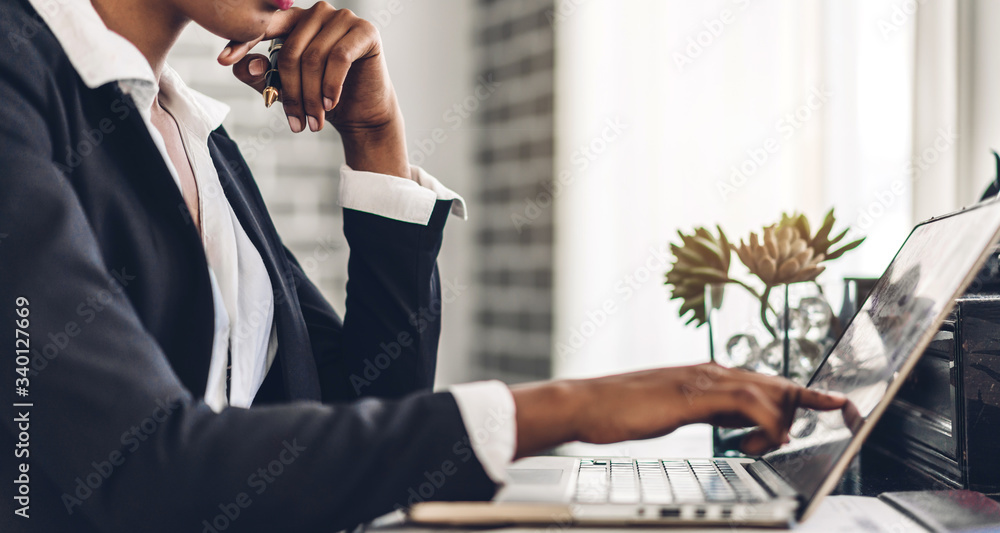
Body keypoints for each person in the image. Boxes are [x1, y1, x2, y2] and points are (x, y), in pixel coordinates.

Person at [0, 0, 847, 531]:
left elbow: (358, 416)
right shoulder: (18, 78)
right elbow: (139, 470)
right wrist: (574, 405)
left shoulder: (188, 135)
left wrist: (376, 142)